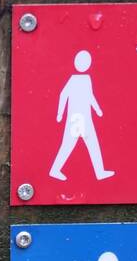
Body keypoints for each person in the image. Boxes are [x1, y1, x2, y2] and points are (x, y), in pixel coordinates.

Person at [49, 49, 114, 182]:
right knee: (68, 145)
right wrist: (60, 113)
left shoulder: (87, 78)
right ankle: (55, 170)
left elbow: (90, 96)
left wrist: (97, 109)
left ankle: (100, 171)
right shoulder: (74, 79)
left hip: (85, 118)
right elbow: (63, 95)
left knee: (92, 144)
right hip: (76, 119)